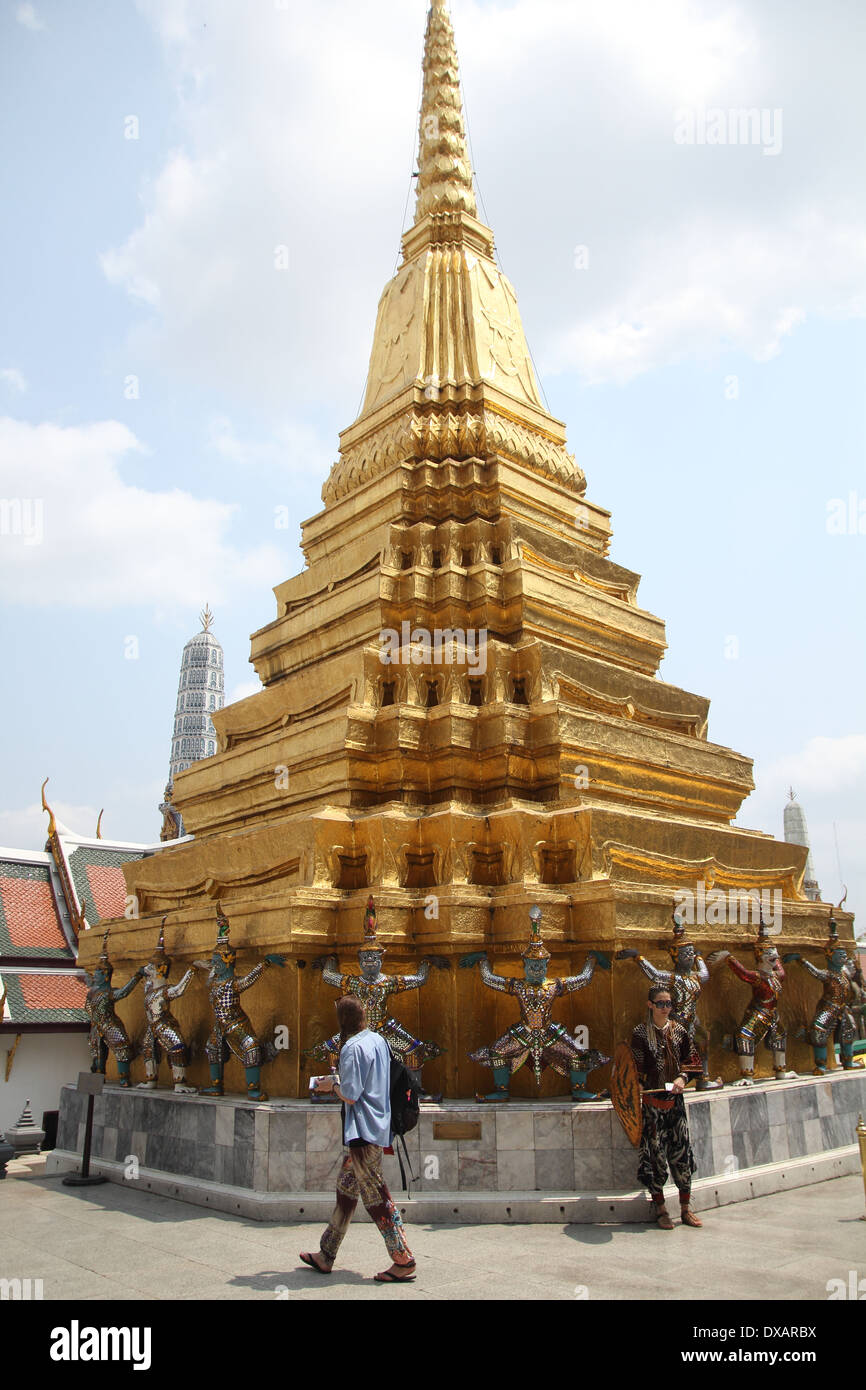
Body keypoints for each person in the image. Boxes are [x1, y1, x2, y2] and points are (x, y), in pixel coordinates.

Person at [300, 995, 416, 1283]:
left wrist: (331, 1085)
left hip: (363, 1131)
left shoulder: (351, 1048)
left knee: (376, 1196)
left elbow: (350, 1095)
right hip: (378, 1124)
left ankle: (403, 1259)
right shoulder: (377, 1039)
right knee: (346, 1190)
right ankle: (326, 1253)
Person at [630, 983, 704, 1230]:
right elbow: (636, 1067)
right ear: (650, 1005)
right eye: (661, 1004)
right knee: (655, 1155)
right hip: (652, 1104)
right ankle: (660, 1207)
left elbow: (692, 1061)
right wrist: (638, 1085)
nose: (665, 1008)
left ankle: (685, 1207)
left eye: (669, 1004)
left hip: (675, 1102)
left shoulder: (680, 1031)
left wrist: (684, 1078)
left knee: (681, 1152)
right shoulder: (641, 1034)